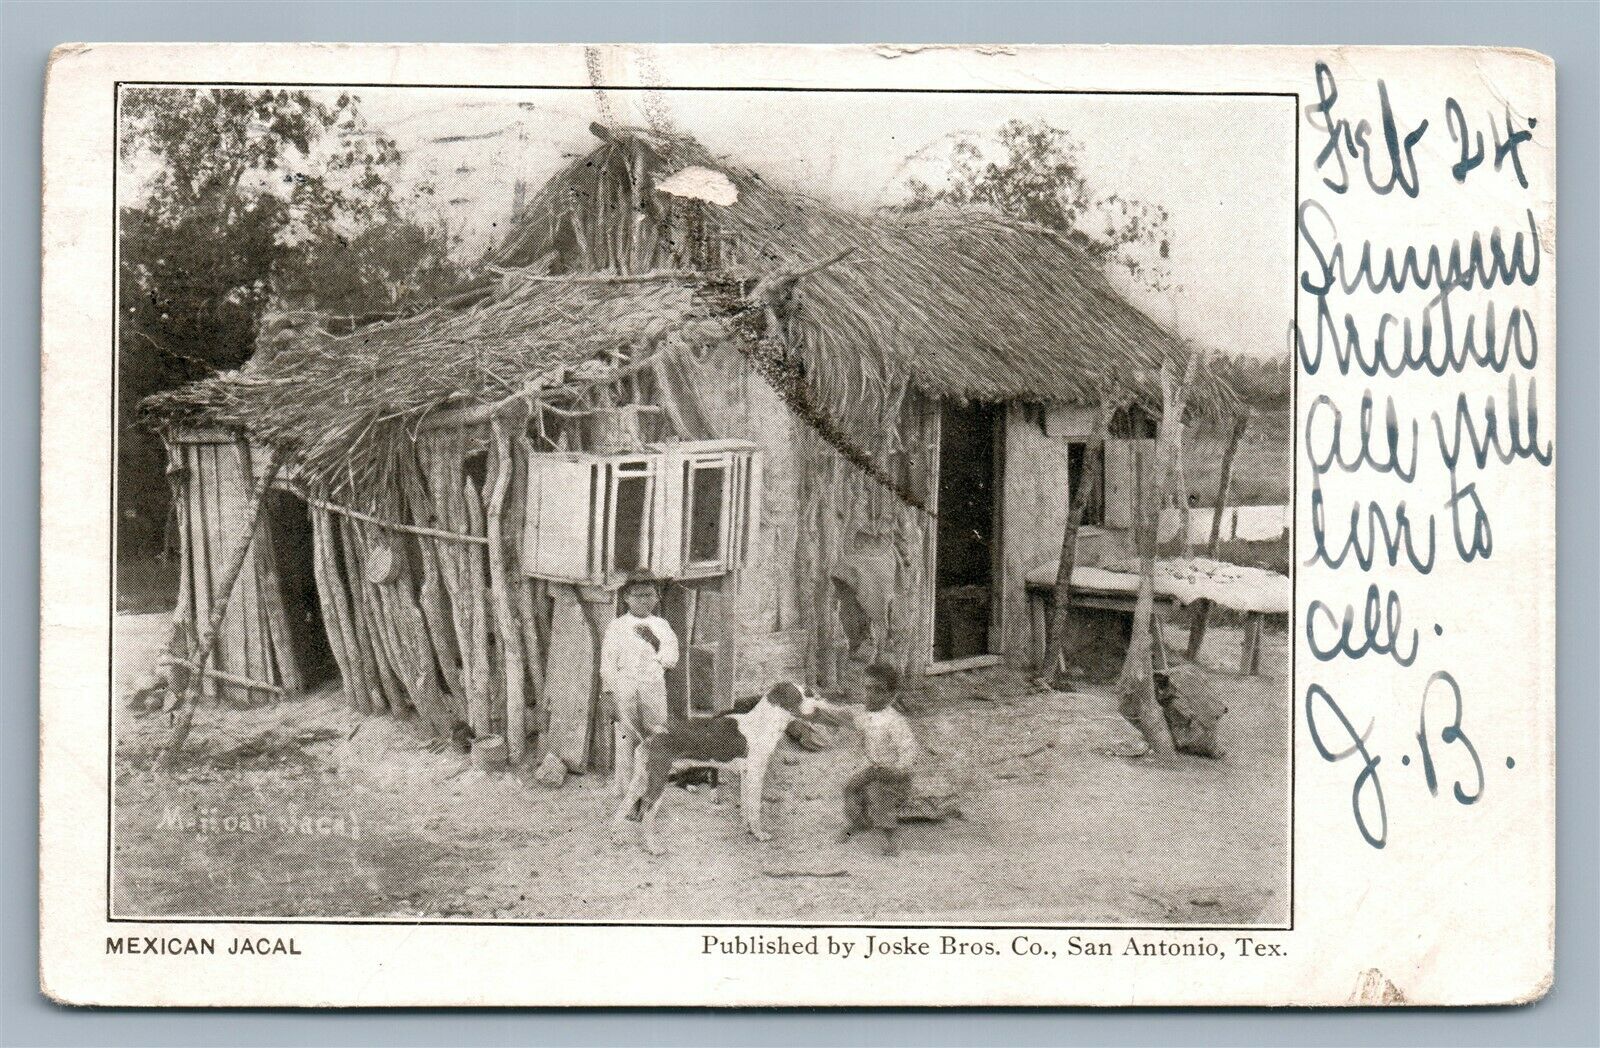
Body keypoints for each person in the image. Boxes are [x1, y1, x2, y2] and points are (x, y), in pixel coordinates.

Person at [600, 573, 680, 790]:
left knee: (656, 736)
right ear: (626, 597)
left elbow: (671, 659)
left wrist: (654, 641)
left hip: (652, 686)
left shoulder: (662, 626)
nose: (644, 600)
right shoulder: (616, 627)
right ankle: (626, 790)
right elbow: (607, 664)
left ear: (657, 598)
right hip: (624, 686)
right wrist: (608, 695)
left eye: (649, 595)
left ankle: (652, 789)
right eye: (638, 595)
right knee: (625, 737)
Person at [839, 662, 919, 856]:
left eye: (878, 690)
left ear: (892, 696)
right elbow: (842, 715)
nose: (870, 695)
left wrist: (898, 769)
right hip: (875, 770)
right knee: (851, 787)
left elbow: (908, 750)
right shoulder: (864, 714)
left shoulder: (895, 721)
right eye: (867, 688)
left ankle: (892, 837)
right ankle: (859, 821)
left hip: (895, 777)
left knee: (877, 795)